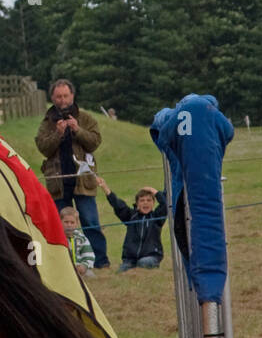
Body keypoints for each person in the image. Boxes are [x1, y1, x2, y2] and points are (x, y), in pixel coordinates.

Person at [35, 78, 110, 268]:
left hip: (83, 179)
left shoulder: (85, 118)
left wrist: (77, 129)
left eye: (65, 96)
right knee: (60, 226)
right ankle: (64, 264)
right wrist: (58, 134)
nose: (62, 100)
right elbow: (43, 148)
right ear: (52, 97)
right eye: (58, 96)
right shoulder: (47, 122)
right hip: (58, 182)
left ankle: (100, 262)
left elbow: (95, 142)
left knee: (90, 222)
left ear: (72, 96)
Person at [95, 175, 167, 272]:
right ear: (137, 204)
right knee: (121, 272)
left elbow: (166, 204)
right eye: (142, 200)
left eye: (149, 200)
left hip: (151, 256)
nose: (145, 203)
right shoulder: (131, 216)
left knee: (143, 263)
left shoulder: (157, 217)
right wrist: (105, 187)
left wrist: (153, 191)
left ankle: (150, 266)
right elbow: (117, 204)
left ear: (153, 203)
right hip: (130, 259)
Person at [59, 207, 94, 278]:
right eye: (66, 222)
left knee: (90, 275)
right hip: (62, 268)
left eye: (72, 222)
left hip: (79, 269)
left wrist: (84, 266)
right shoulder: (56, 237)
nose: (69, 225)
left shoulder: (81, 238)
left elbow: (89, 255)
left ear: (77, 224)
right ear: (60, 221)